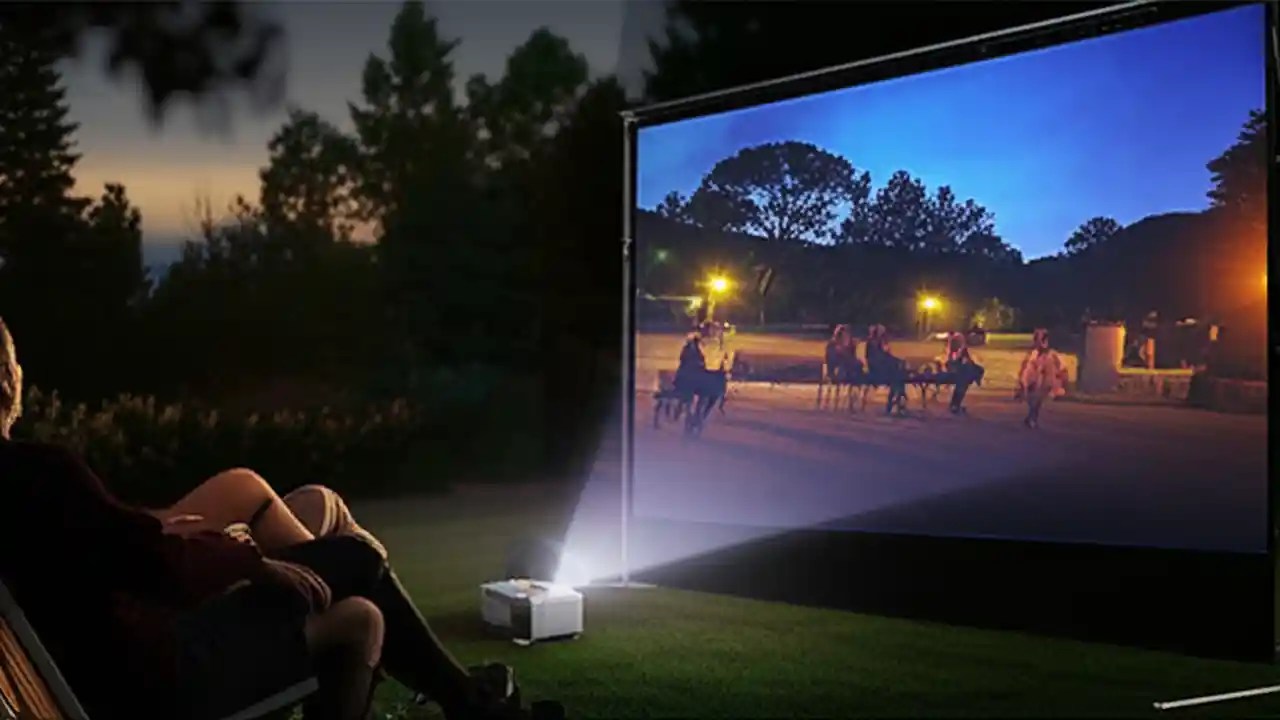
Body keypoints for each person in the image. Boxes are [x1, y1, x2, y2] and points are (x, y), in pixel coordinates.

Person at [0, 318, 549, 720]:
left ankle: (469, 702)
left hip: (110, 679)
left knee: (354, 593)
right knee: (356, 559)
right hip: (164, 682)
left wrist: (180, 540)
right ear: (8, 379)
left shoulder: (30, 480)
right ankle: (472, 704)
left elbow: (119, 548)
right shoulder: (37, 472)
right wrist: (253, 563)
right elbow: (157, 567)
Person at [1017, 328, 1068, 429]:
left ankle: (1031, 417)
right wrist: (1023, 381)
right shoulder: (1033, 354)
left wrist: (1062, 381)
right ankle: (1032, 418)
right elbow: (1026, 367)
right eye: (1037, 340)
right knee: (1034, 401)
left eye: (1041, 340)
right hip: (1034, 382)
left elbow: (1062, 368)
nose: (1039, 343)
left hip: (1046, 382)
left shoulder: (1052, 355)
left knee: (1038, 401)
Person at [864, 324, 907, 415]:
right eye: (881, 333)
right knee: (897, 376)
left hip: (885, 369)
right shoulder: (872, 343)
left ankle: (897, 398)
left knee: (898, 376)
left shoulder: (881, 343)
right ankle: (897, 397)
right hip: (878, 371)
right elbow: (875, 359)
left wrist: (898, 361)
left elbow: (887, 356)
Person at [943, 332, 985, 415]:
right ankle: (955, 404)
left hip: (962, 373)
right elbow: (951, 364)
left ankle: (955, 404)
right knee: (963, 383)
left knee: (974, 371)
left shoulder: (962, 351)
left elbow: (969, 361)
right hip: (957, 374)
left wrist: (967, 363)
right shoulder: (953, 352)